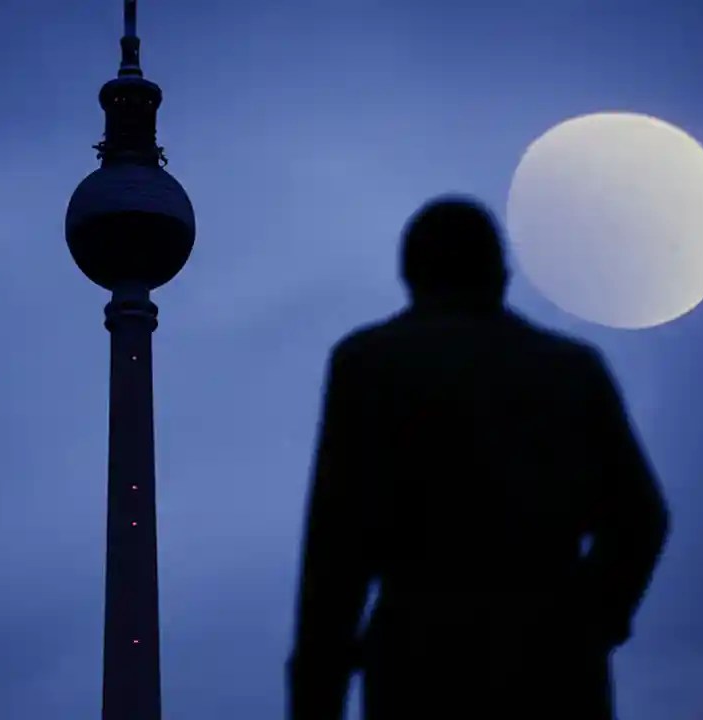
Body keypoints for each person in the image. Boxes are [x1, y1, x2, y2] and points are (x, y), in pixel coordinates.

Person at [286, 196, 671, 720]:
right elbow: (641, 518)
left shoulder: (369, 363)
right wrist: (585, 623)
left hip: (422, 664)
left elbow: (334, 554)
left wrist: (315, 696)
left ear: (410, 272)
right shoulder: (572, 369)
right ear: (501, 272)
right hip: (554, 671)